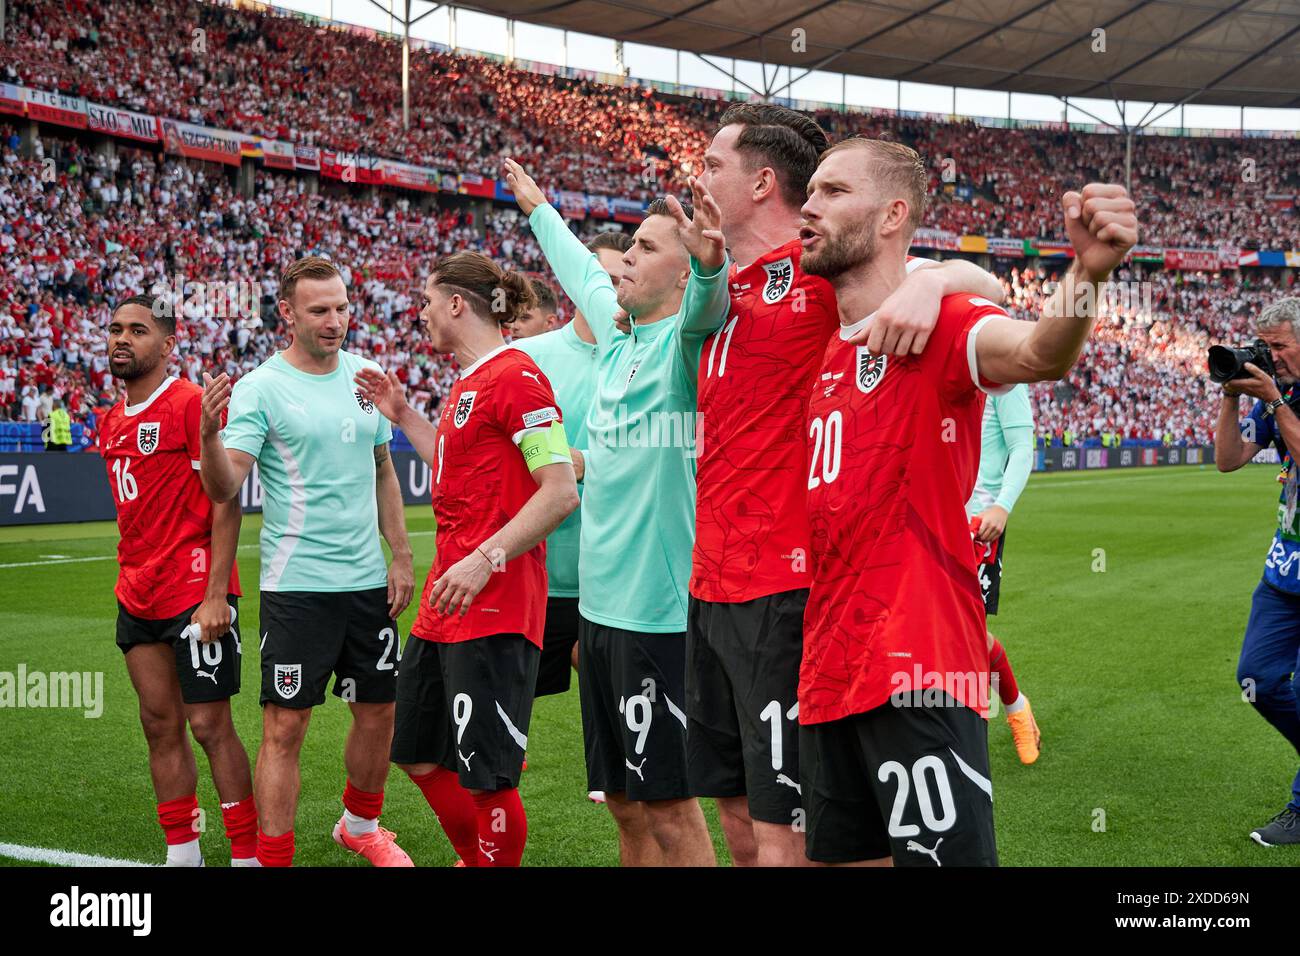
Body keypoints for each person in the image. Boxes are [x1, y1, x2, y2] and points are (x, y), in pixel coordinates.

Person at [798, 137, 1136, 866]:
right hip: (828, 664)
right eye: (810, 190)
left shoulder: (944, 327)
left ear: (893, 216)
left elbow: (1039, 352)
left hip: (917, 662)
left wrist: (1086, 274)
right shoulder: (826, 346)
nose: (808, 204)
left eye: (831, 192)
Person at [687, 103, 1006, 866]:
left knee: (788, 834)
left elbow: (966, 277)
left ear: (763, 181)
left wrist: (937, 284)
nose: (696, 178)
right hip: (710, 589)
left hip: (787, 588)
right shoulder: (725, 287)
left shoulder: (822, 274)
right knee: (738, 814)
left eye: (711, 165)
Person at [504, 157, 729, 866]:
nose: (623, 262)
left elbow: (708, 309)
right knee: (628, 806)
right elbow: (579, 268)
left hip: (656, 620)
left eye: (645, 250)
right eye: (626, 249)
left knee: (669, 805)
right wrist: (538, 205)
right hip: (599, 618)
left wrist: (713, 263)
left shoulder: (682, 348)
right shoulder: (619, 338)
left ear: (683, 272)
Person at [361, 252, 579, 867]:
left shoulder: (517, 375)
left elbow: (559, 490)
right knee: (416, 749)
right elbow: (456, 466)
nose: (422, 313)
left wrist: (487, 557)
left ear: (457, 303)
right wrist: (403, 414)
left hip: (496, 604)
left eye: (428, 301)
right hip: (446, 604)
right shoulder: (470, 380)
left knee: (488, 777)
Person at [198, 256, 416, 867]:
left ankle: (360, 824)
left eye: (343, 307)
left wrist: (399, 557)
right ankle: (273, 857)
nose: (336, 320)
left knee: (379, 712)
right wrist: (210, 440)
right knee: (285, 728)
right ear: (288, 314)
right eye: (320, 310)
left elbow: (382, 470)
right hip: (298, 589)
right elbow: (224, 488)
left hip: (367, 585)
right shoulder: (260, 387)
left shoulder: (367, 375)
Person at [97, 294, 256, 867]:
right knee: (158, 724)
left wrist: (218, 594)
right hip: (137, 591)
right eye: (115, 329)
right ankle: (183, 852)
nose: (121, 339)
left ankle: (246, 854)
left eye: (137, 331)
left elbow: (226, 501)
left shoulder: (190, 403)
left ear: (166, 346)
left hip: (194, 592)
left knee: (210, 724)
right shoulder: (110, 419)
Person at [1213, 296, 1300, 847]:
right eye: (1265, 346)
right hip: (1285, 569)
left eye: (1280, 345)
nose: (1271, 356)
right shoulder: (1277, 392)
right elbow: (1227, 459)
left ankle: (1299, 807)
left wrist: (1276, 403)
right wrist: (1229, 398)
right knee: (1257, 679)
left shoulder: (1282, 398)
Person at [968, 383, 1041, 763]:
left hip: (979, 526)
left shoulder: (1001, 374)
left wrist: (1002, 506)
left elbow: (1021, 448)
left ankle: (1015, 709)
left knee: (970, 637)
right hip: (930, 521)